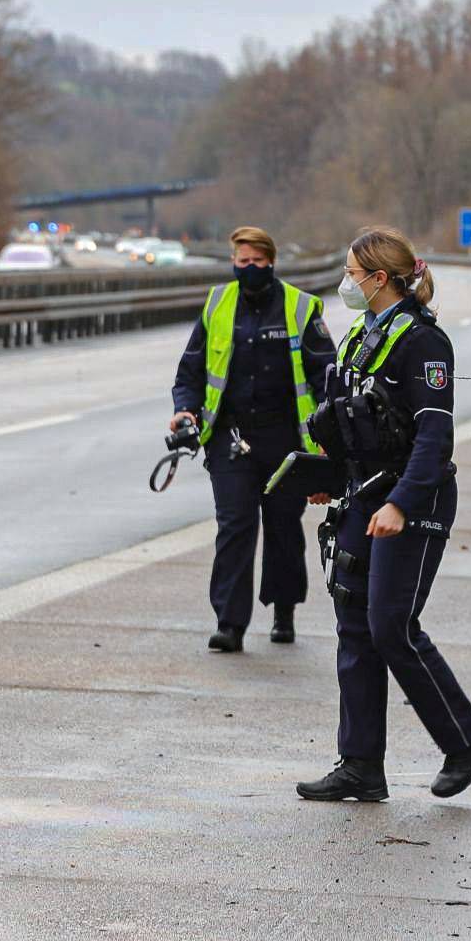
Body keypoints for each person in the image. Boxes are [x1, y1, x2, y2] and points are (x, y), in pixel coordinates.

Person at [296, 227, 471, 802]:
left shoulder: (425, 343)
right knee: (353, 626)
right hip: (363, 494)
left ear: (380, 279)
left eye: (353, 274)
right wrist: (327, 480)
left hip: (414, 500)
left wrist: (401, 504)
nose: (346, 284)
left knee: (391, 627)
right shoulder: (362, 335)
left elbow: (434, 438)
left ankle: (464, 740)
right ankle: (360, 764)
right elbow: (356, 425)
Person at [170, 225, 336, 653]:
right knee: (235, 526)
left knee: (283, 527)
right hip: (230, 437)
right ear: (233, 263)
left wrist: (327, 437)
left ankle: (284, 610)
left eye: (256, 262)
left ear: (271, 262)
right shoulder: (217, 304)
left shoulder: (300, 308)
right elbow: (190, 370)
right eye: (241, 262)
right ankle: (230, 622)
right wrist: (184, 410)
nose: (249, 269)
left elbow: (326, 377)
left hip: (286, 439)